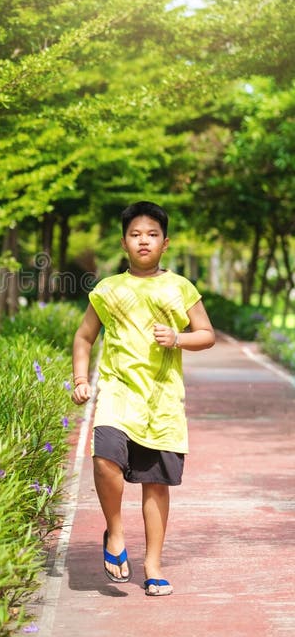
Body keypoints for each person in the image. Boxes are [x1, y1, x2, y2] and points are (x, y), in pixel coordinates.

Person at [71, 201, 215, 596]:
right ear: (124, 243)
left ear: (165, 243)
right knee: (104, 461)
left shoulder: (179, 287)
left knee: (155, 485)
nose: (143, 241)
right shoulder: (108, 290)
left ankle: (152, 564)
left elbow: (207, 333)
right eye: (135, 235)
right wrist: (81, 378)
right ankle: (115, 535)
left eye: (152, 234)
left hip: (161, 401)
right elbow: (84, 337)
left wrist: (178, 338)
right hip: (117, 391)